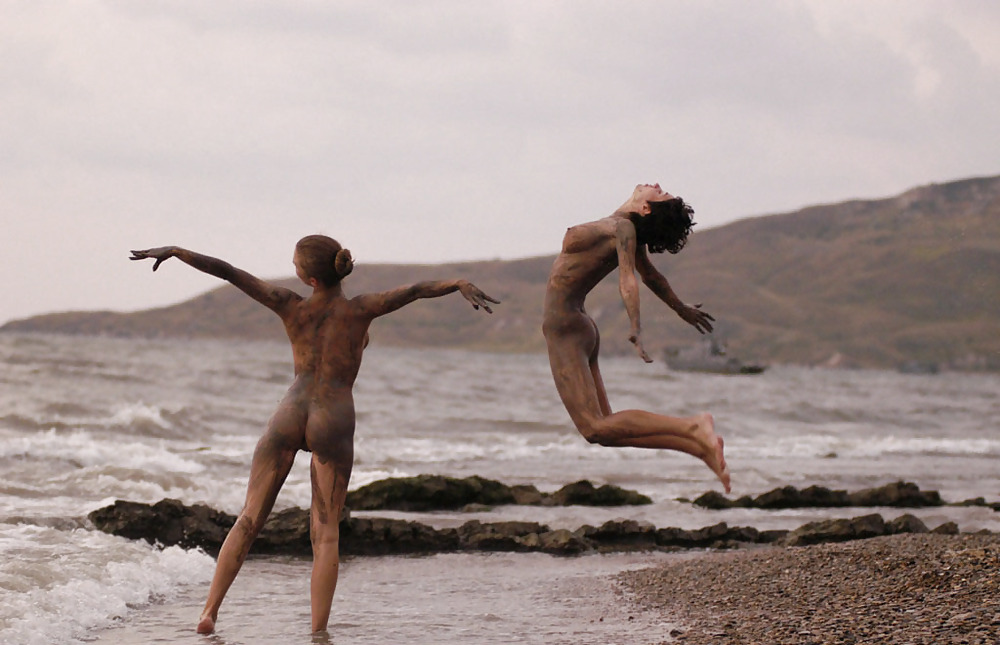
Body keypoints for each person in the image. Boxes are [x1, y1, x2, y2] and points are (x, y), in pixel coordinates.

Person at [130, 236, 499, 634]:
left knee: (249, 518)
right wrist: (457, 282)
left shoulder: (291, 305)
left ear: (309, 278)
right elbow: (414, 291)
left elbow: (230, 272)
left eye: (295, 264)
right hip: (333, 417)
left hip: (289, 413)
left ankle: (209, 612)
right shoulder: (362, 309)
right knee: (325, 534)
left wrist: (177, 252)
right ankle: (317, 631)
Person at [541, 183, 730, 493]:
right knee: (603, 431)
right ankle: (698, 448)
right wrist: (680, 308)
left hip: (566, 328)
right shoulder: (626, 231)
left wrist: (635, 327)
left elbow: (628, 278)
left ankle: (692, 426)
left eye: (660, 193)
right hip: (578, 325)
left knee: (595, 427)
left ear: (645, 208)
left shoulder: (624, 228)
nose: (656, 185)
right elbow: (651, 276)